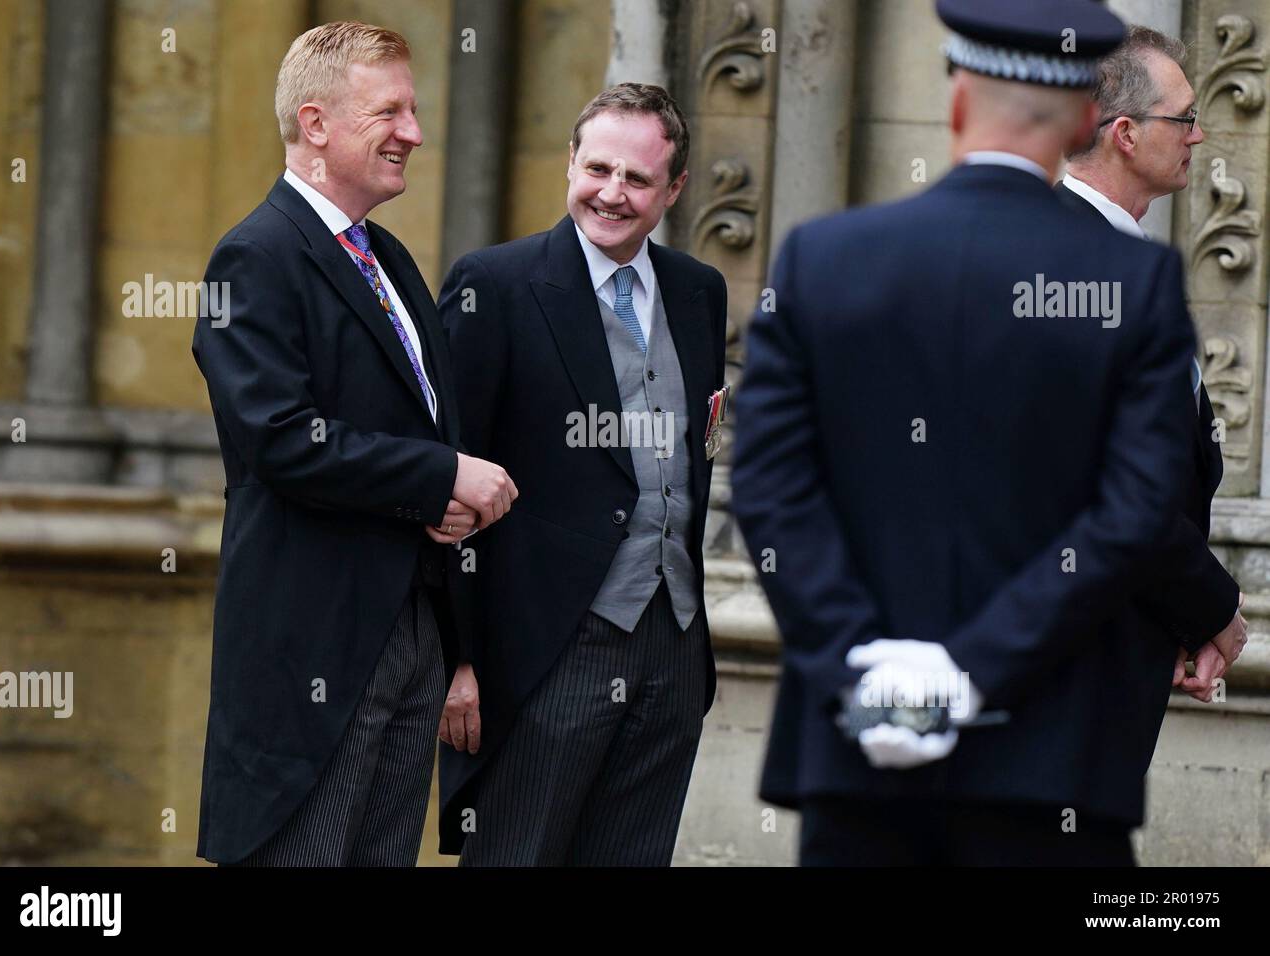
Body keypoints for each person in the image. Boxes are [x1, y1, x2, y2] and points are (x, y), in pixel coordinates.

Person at [734, 0, 1202, 865]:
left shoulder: (822, 257)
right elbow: (1134, 513)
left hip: (858, 755)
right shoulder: (1137, 281)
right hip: (1048, 762)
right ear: (1081, 119)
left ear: (956, 98)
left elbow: (768, 489)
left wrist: (864, 670)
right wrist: (968, 672)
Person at [192, 20, 515, 866]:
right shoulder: (254, 257)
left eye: (413, 110)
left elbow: (412, 428)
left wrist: (444, 508)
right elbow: (280, 439)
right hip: (316, 650)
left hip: (412, 633)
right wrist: (441, 473)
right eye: (390, 112)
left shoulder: (392, 261)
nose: (413, 131)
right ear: (315, 123)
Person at [436, 83, 727, 865]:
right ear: (570, 161)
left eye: (637, 179)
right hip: (548, 649)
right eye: (597, 168)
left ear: (674, 188)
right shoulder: (492, 285)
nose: (612, 193)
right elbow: (447, 479)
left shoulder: (700, 291)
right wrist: (456, 657)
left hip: (672, 641)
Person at [1057, 26, 1247, 700]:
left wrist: (1172, 616)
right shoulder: (1069, 264)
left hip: (1128, 634)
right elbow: (1111, 486)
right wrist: (1211, 608)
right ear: (1126, 134)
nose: (1197, 137)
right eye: (1185, 119)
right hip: (1075, 652)